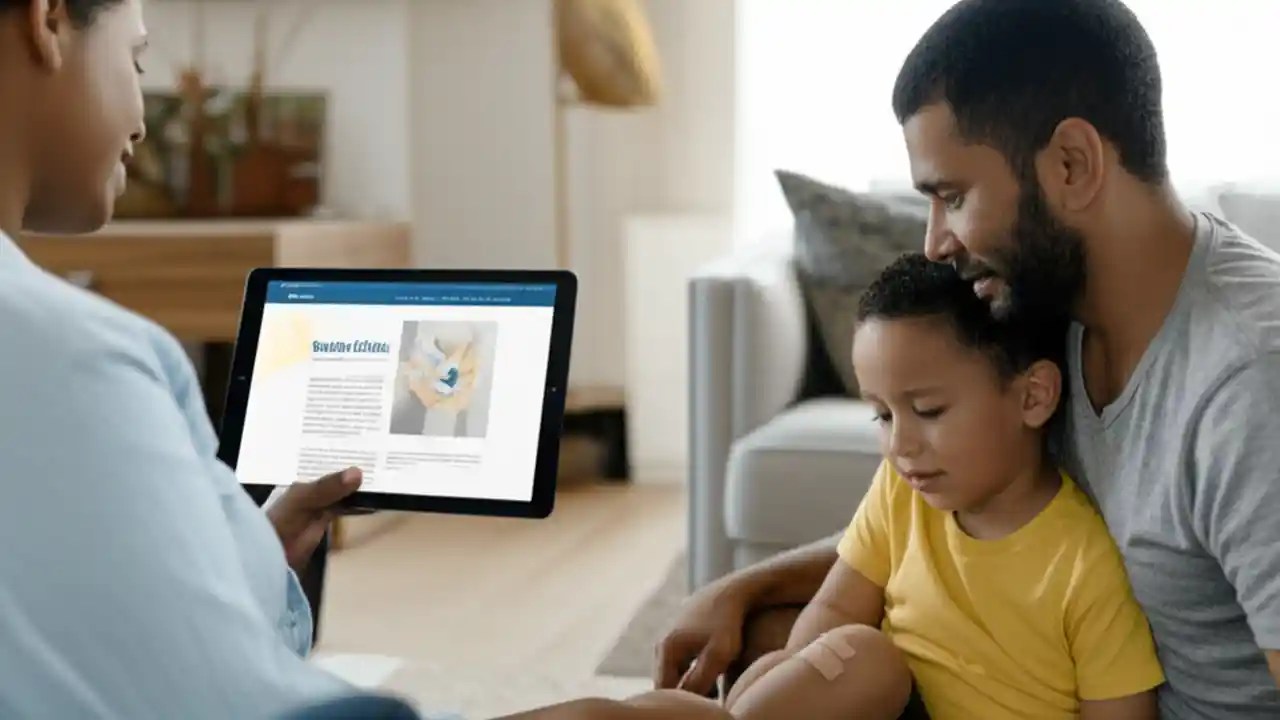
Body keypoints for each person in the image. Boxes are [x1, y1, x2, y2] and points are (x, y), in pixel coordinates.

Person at [0, 1, 728, 718]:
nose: (143, 115)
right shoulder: (82, 364)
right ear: (49, 20)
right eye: (136, 60)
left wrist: (251, 547)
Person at [657, 0, 1280, 717]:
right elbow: (943, 518)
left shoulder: (1252, 383)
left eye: (952, 196)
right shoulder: (1051, 316)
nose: (935, 244)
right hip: (1027, 688)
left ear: (1072, 164)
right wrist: (739, 587)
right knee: (775, 642)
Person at [721, 253, 1163, 720]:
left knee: (863, 660)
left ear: (1032, 396)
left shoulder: (1084, 564)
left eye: (929, 411)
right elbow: (834, 609)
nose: (900, 444)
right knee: (783, 658)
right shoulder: (901, 490)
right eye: (883, 415)